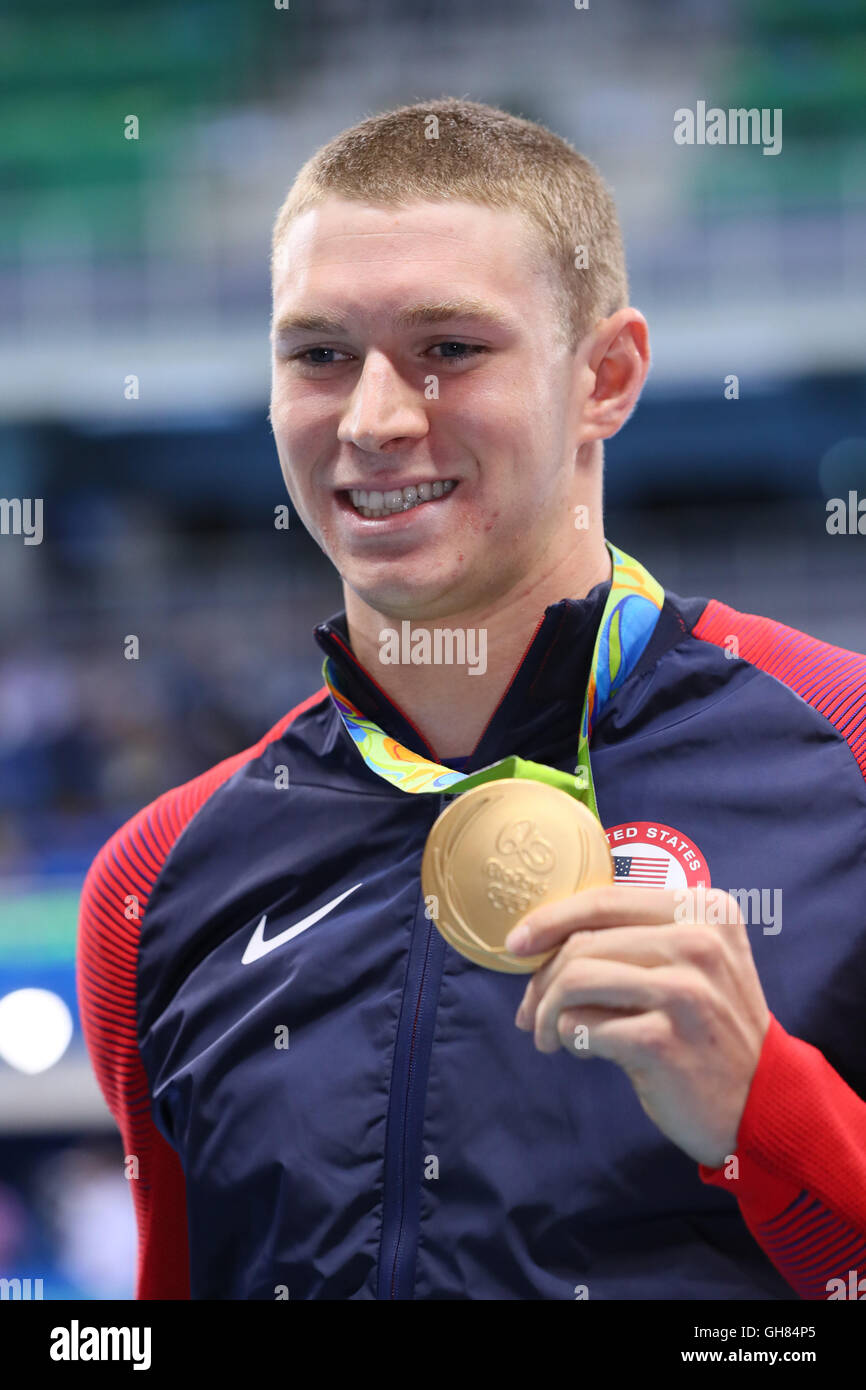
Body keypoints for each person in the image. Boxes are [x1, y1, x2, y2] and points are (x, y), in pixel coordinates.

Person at [78, 97, 866, 1301]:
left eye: (449, 349)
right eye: (319, 354)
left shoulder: (845, 758)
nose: (376, 419)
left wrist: (764, 1111)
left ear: (605, 376)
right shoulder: (156, 883)